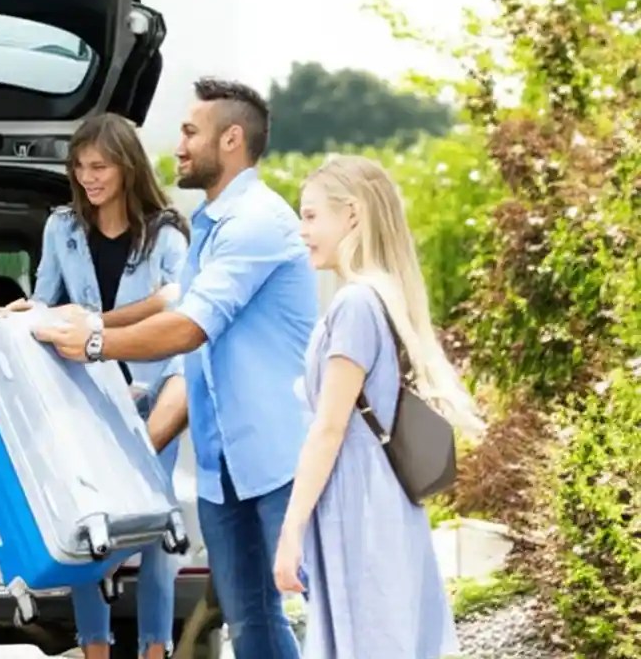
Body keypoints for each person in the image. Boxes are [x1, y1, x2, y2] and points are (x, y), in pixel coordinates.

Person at [33, 78, 318, 659]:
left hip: (276, 460)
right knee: (252, 619)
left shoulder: (256, 222)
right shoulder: (211, 226)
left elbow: (187, 326)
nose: (178, 145)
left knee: (320, 609)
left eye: (190, 132)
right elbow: (186, 346)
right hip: (223, 467)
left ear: (231, 139)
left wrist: (94, 340)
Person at [272, 156, 480, 658]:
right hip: (380, 502)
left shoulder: (355, 305)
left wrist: (291, 530)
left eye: (311, 215)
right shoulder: (380, 299)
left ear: (352, 215)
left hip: (358, 506)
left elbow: (329, 429)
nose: (302, 231)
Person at [3, 113, 189, 659]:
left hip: (153, 393)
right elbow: (47, 298)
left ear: (127, 167)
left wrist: (97, 326)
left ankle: (155, 649)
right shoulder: (61, 228)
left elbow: (179, 304)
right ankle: (95, 650)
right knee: (89, 522)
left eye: (99, 167)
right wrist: (26, 312)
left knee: (156, 527)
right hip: (87, 396)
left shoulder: (165, 234)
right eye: (80, 167)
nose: (88, 178)